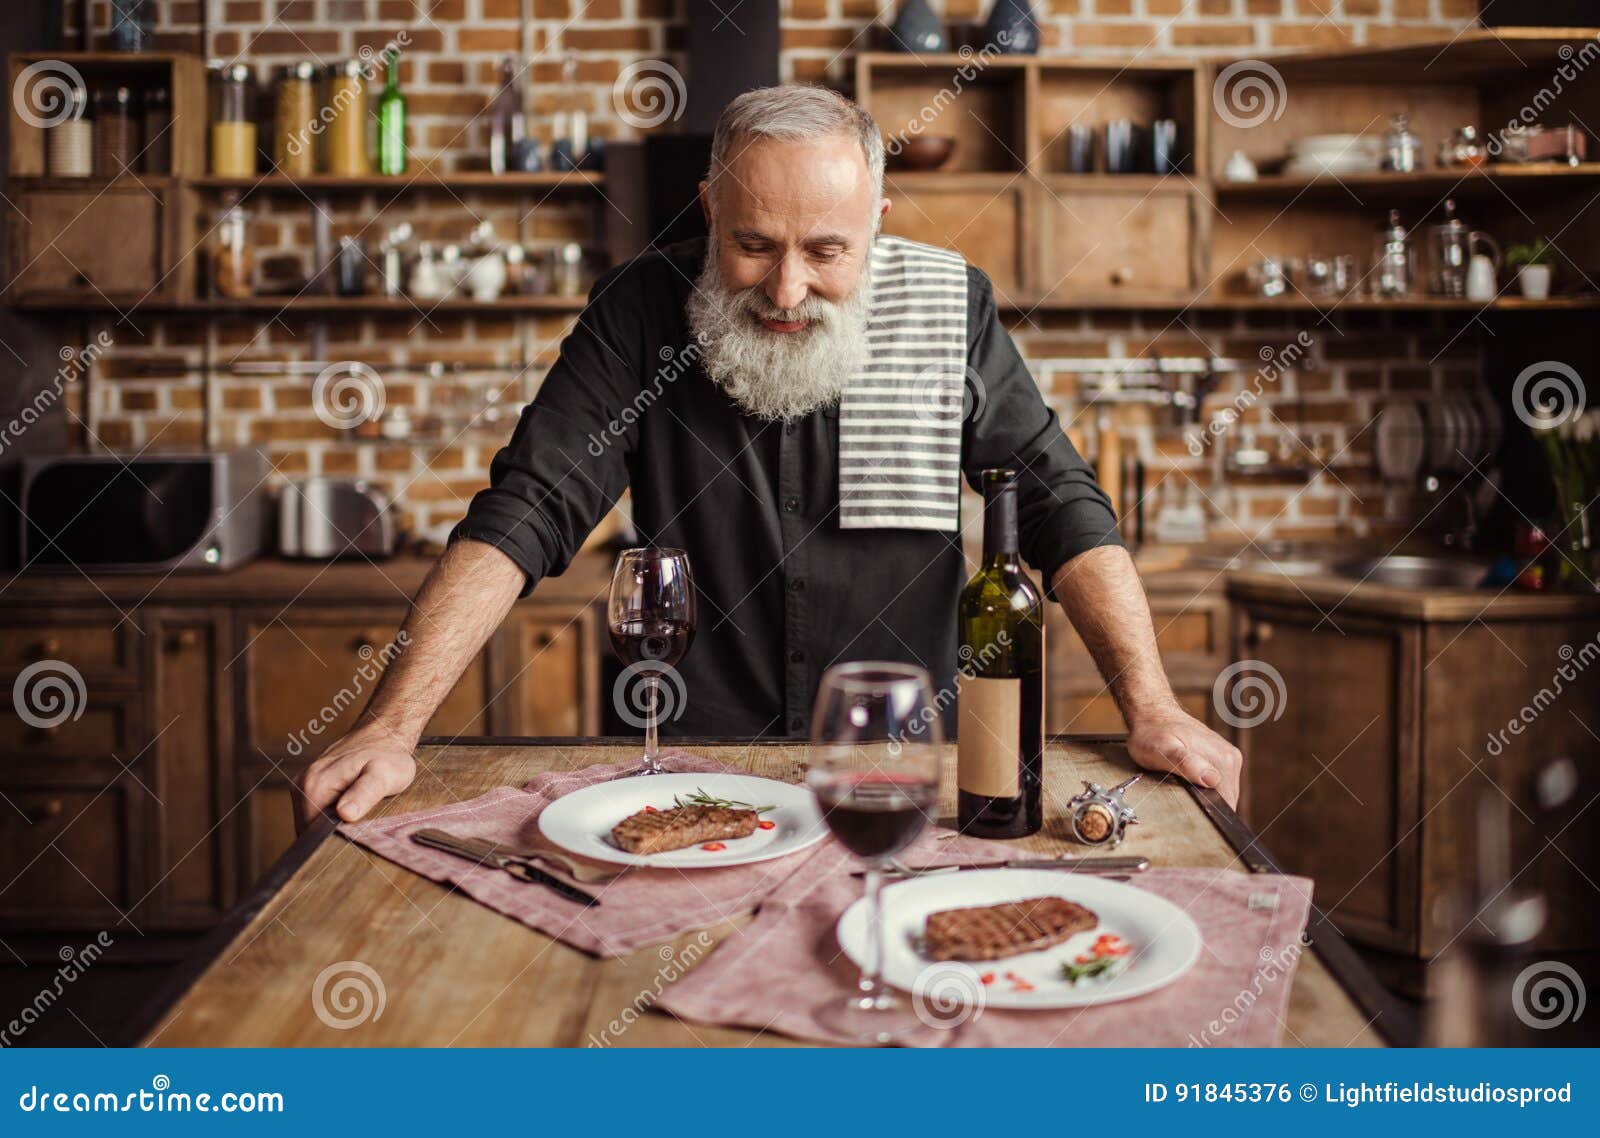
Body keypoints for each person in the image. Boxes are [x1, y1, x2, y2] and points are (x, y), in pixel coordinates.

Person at [295, 85, 1242, 827]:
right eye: (752, 244)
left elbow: (1059, 506)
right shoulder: (640, 309)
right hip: (689, 773)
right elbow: (525, 511)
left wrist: (1151, 707)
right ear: (710, 207)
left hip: (903, 770)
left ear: (875, 219)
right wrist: (392, 727)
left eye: (826, 250)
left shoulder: (948, 305)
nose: (787, 288)